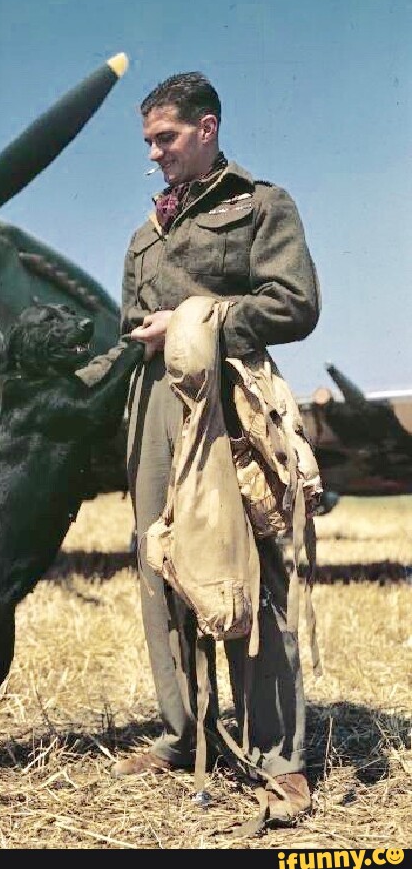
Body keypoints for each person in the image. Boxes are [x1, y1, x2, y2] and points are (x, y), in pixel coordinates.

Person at [110, 71, 321, 823]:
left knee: (248, 571)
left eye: (164, 139)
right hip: (154, 412)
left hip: (231, 404)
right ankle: (182, 730)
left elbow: (295, 302)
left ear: (206, 128)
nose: (155, 155)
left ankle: (278, 756)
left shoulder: (262, 205)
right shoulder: (142, 236)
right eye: (147, 143)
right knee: (161, 567)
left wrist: (196, 321)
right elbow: (133, 323)